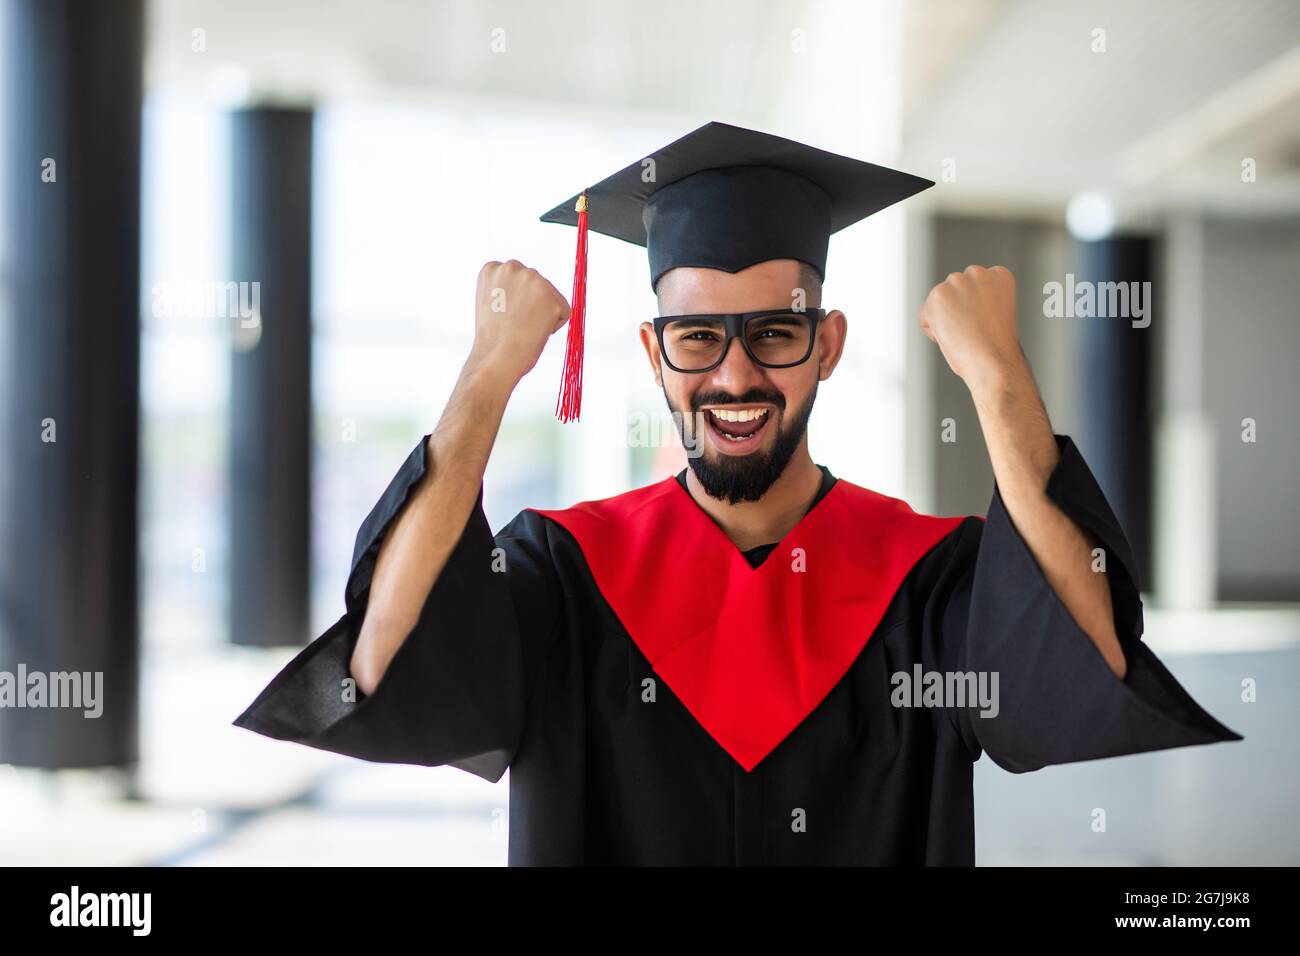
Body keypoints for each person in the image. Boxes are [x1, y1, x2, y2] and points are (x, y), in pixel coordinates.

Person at [233, 121, 1240, 865]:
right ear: (653, 352)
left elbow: (1093, 651)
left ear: (828, 344)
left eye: (777, 331)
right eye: (697, 336)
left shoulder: (924, 577)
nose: (735, 373)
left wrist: (998, 376)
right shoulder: (567, 570)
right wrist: (487, 374)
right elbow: (379, 658)